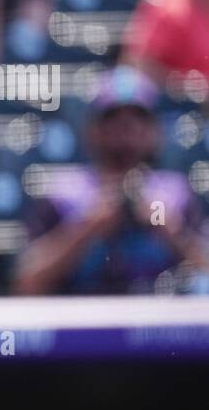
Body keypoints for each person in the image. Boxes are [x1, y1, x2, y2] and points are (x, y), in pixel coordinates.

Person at [11, 66, 209, 295]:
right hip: (83, 312)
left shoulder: (175, 194)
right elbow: (26, 281)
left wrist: (171, 232)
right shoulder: (63, 193)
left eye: (137, 120)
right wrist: (87, 227)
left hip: (160, 313)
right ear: (93, 130)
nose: (126, 131)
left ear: (153, 131)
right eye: (114, 121)